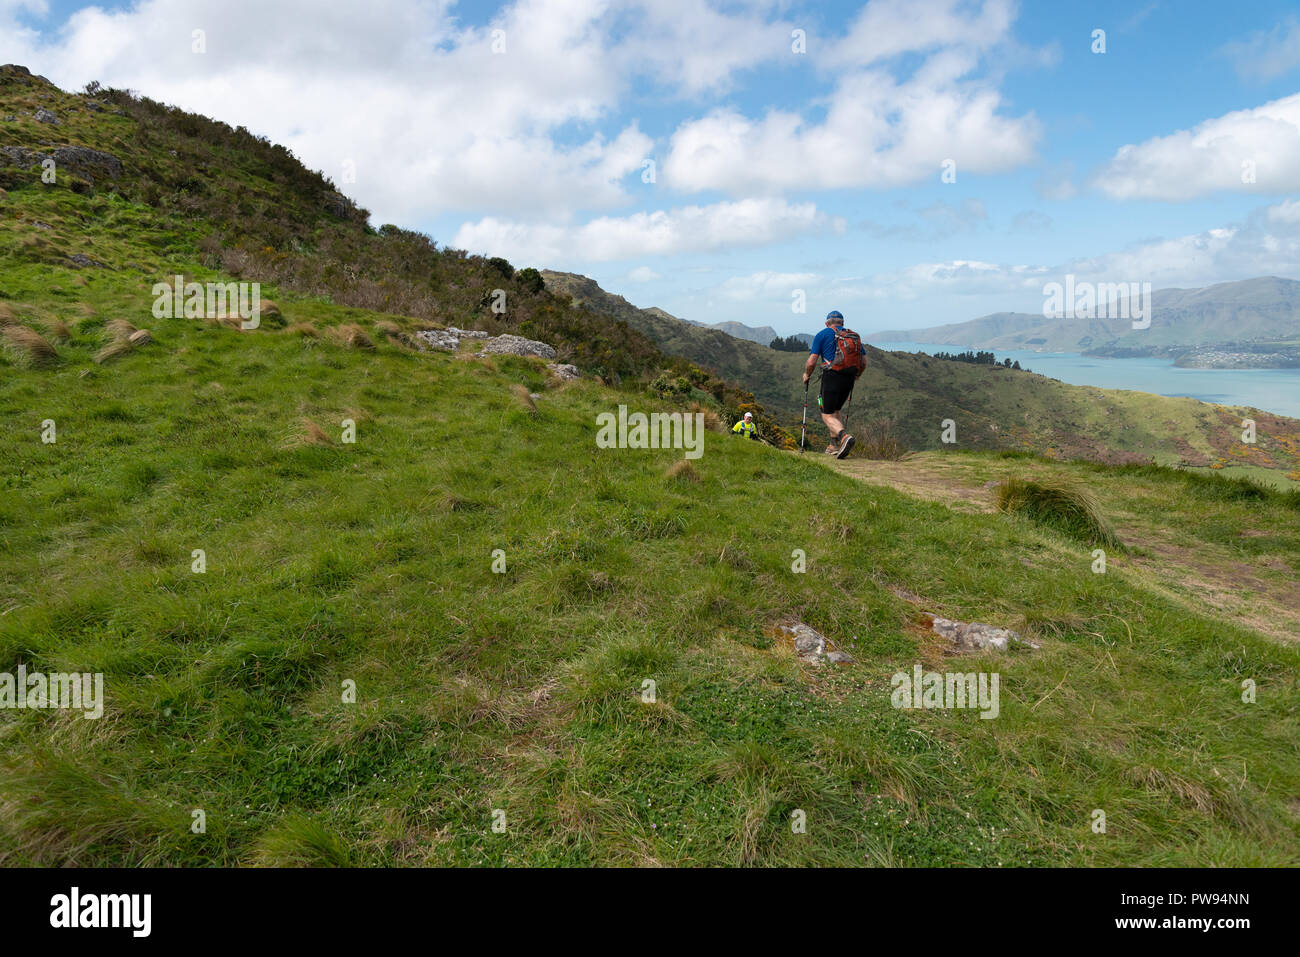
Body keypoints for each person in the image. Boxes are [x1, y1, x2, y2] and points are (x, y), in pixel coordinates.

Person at [802, 310, 864, 458]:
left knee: (827, 415)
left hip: (831, 377)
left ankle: (844, 437)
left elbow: (812, 361)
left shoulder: (823, 334)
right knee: (835, 410)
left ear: (827, 323)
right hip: (849, 378)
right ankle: (832, 445)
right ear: (842, 323)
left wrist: (806, 375)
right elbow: (864, 362)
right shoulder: (853, 336)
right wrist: (857, 375)